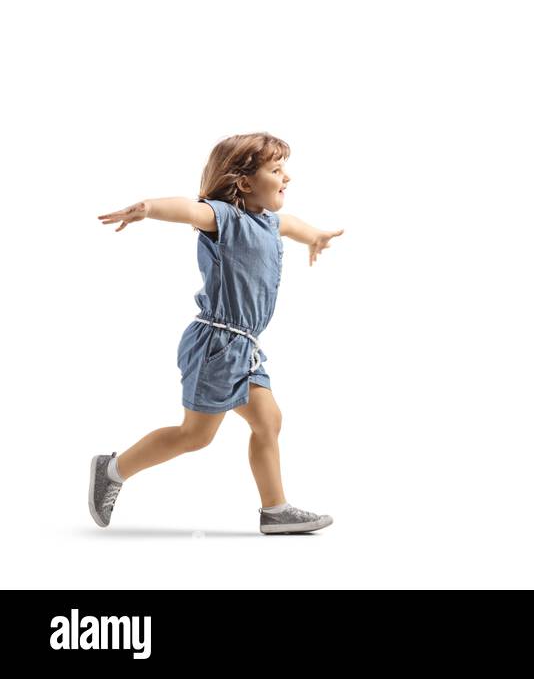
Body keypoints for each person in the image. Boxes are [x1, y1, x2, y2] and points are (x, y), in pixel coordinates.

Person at [89, 132, 344, 534]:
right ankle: (113, 469)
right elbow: (190, 211)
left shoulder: (268, 223)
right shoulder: (226, 218)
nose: (287, 177)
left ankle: (275, 510)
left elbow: (291, 225)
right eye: (276, 170)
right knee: (194, 435)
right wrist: (149, 208)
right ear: (243, 183)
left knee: (268, 420)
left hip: (243, 346)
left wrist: (315, 237)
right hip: (216, 345)